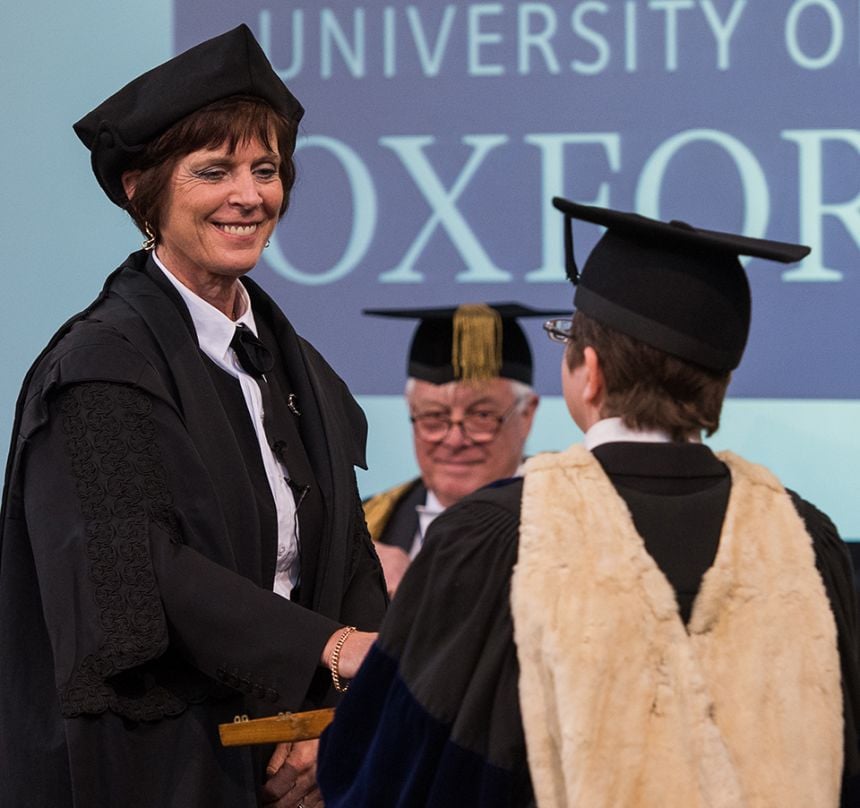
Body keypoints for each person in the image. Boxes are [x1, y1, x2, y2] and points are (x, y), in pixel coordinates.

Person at [317, 198, 860, 807]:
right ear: (722, 383)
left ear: (590, 373)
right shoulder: (805, 537)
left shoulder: (496, 535)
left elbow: (391, 766)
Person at [0, 24, 387, 808]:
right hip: (164, 766)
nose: (249, 195)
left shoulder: (299, 367)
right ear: (144, 191)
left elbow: (345, 558)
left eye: (266, 169)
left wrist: (337, 721)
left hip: (299, 765)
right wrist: (333, 649)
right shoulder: (99, 372)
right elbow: (141, 576)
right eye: (214, 170)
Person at [362, 303, 562, 596]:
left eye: (481, 416)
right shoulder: (369, 525)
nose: (455, 440)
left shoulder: (571, 518)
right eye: (433, 417)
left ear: (527, 414)